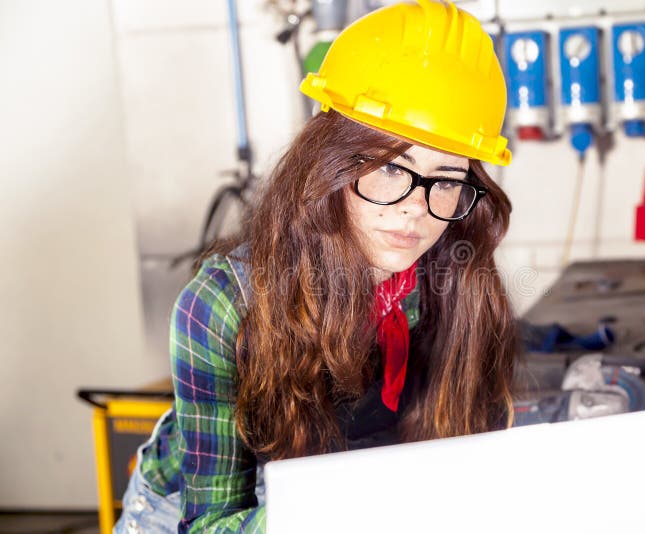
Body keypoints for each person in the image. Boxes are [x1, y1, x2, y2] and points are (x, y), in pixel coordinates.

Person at [115, 0, 517, 532]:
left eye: (445, 178)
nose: (415, 207)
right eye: (391, 169)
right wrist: (343, 506)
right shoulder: (225, 304)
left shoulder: (454, 281)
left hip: (354, 485)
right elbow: (210, 521)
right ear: (328, 164)